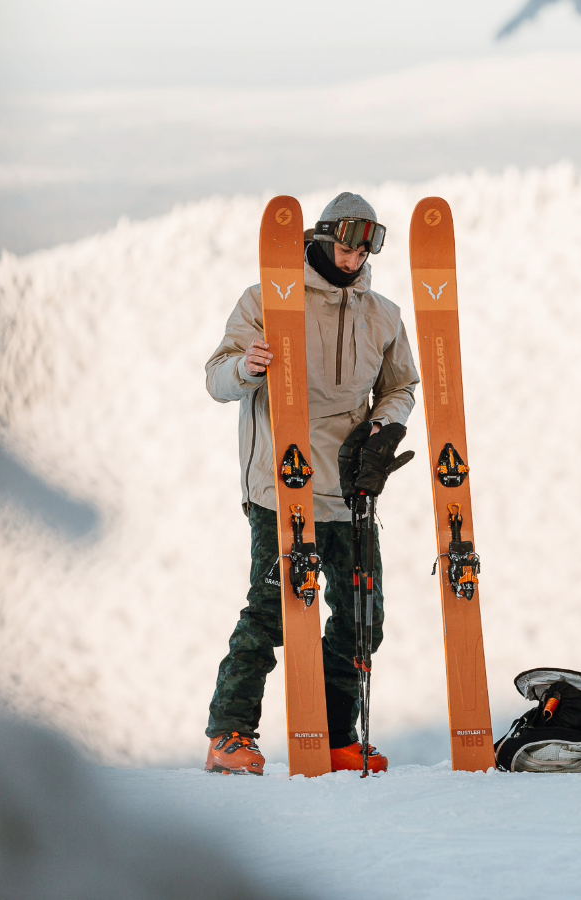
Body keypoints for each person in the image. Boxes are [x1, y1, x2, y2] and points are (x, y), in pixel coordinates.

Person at [202, 192, 420, 774]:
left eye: (366, 246)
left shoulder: (385, 315)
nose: (354, 257)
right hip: (282, 483)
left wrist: (382, 430)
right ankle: (230, 734)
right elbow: (216, 379)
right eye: (347, 243)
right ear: (323, 238)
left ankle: (334, 736)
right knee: (271, 611)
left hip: (348, 487)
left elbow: (403, 388)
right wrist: (247, 367)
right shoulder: (266, 300)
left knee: (360, 616)